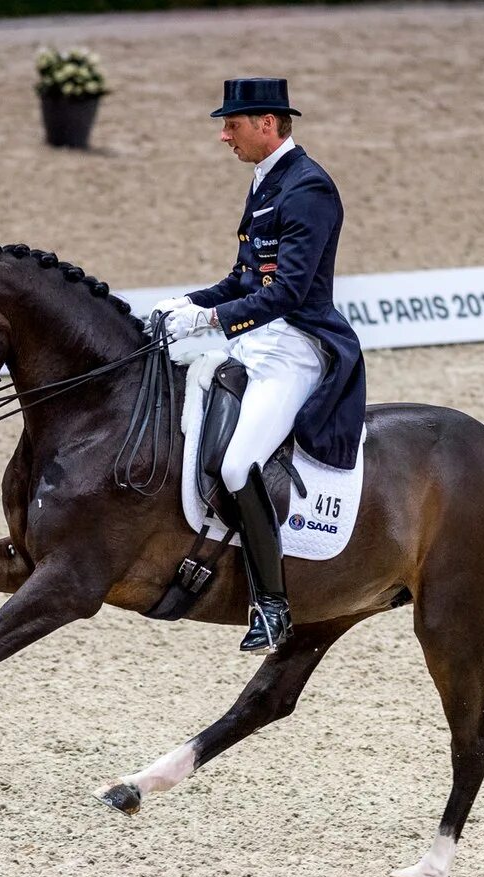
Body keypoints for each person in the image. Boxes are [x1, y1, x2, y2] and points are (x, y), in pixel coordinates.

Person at [156, 77, 366, 655]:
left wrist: (210, 321)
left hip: (294, 345)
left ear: (267, 124)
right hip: (255, 336)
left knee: (238, 463)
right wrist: (188, 303)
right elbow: (243, 279)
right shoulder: (265, 181)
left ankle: (271, 605)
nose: (224, 135)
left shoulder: (308, 188)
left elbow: (289, 292)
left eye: (233, 124)